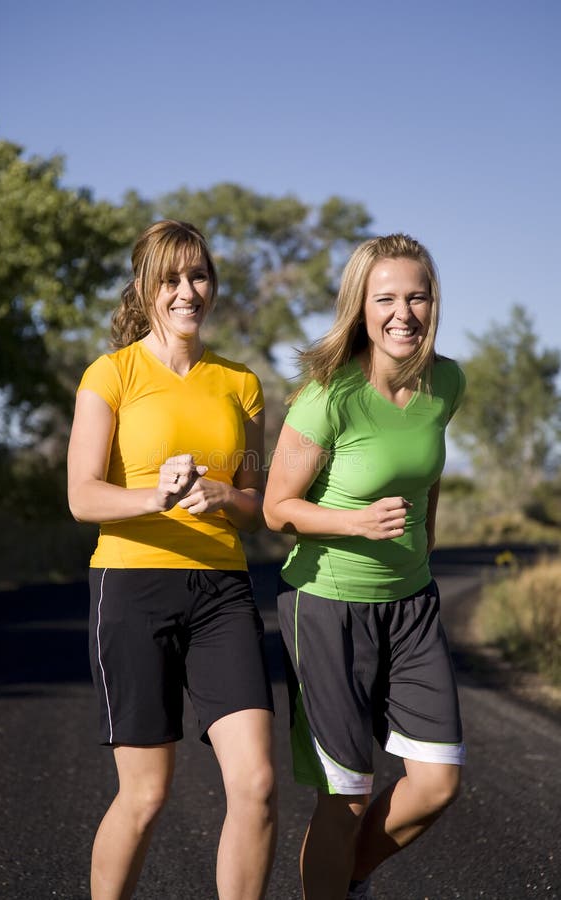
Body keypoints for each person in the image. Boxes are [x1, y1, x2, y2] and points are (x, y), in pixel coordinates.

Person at [67, 220, 277, 900]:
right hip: (131, 587)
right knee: (147, 794)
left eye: (199, 276)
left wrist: (224, 495)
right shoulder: (112, 374)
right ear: (145, 288)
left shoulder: (241, 384)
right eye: (171, 279)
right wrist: (155, 494)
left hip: (222, 590)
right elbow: (81, 495)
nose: (187, 291)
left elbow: (256, 501)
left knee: (258, 785)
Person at [263, 233, 466, 900]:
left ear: (434, 302)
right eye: (387, 298)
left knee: (437, 781)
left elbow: (427, 473)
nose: (403, 312)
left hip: (411, 602)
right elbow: (276, 508)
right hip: (326, 604)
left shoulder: (446, 382)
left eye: (417, 296)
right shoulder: (329, 395)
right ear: (361, 306)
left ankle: (347, 873)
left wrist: (424, 539)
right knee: (346, 795)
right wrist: (354, 521)